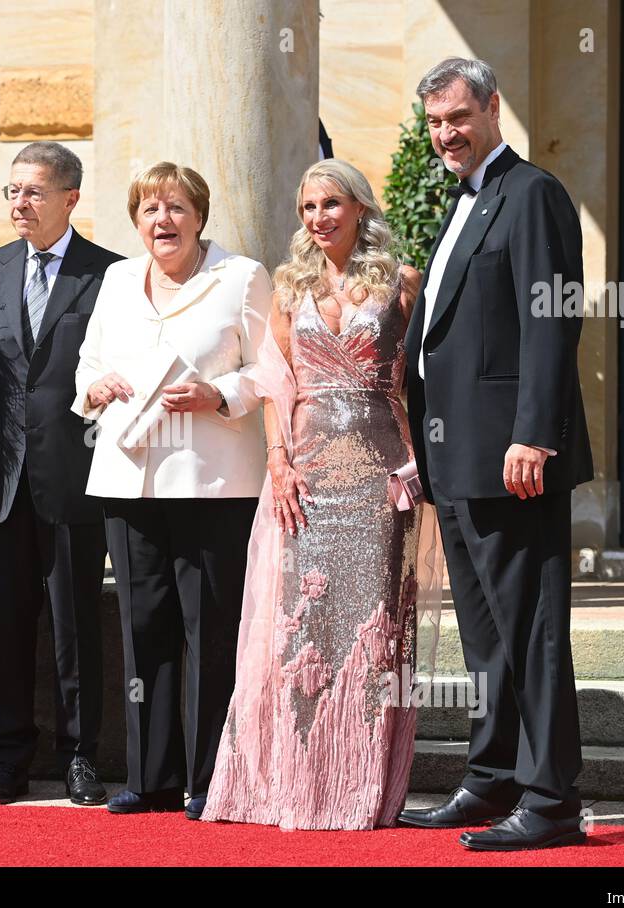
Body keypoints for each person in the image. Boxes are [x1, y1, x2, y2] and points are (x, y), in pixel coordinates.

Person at [201, 159, 439, 830]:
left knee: (375, 636)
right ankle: (297, 785)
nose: (318, 217)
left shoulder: (403, 285)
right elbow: (280, 388)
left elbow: (425, 385)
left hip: (380, 479)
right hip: (303, 477)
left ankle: (360, 787)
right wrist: (277, 461)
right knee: (300, 628)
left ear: (360, 207)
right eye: (308, 207)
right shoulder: (287, 289)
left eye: (331, 203)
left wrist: (420, 464)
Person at [397, 57, 594, 850]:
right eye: (436, 122)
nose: (446, 134)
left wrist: (536, 433)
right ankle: (492, 777)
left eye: (458, 118)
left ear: (493, 110)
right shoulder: (463, 202)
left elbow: (554, 318)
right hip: (458, 458)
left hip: (513, 458)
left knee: (533, 633)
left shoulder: (532, 194)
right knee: (485, 638)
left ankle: (549, 802)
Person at [73, 162, 270, 820]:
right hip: (129, 480)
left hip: (214, 485)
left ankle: (210, 779)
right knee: (144, 628)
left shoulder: (239, 276)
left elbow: (271, 369)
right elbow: (90, 361)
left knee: (210, 630)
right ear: (137, 221)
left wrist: (219, 393)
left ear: (200, 217)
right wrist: (92, 390)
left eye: (177, 209)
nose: (164, 221)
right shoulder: (119, 279)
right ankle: (151, 776)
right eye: (151, 210)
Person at [0, 144, 122, 806]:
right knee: (7, 622)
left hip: (78, 475)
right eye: (11, 192)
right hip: (5, 480)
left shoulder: (110, 275)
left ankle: (80, 756)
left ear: (70, 199)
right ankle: (9, 759)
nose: (19, 204)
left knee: (76, 621)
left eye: (32, 192)